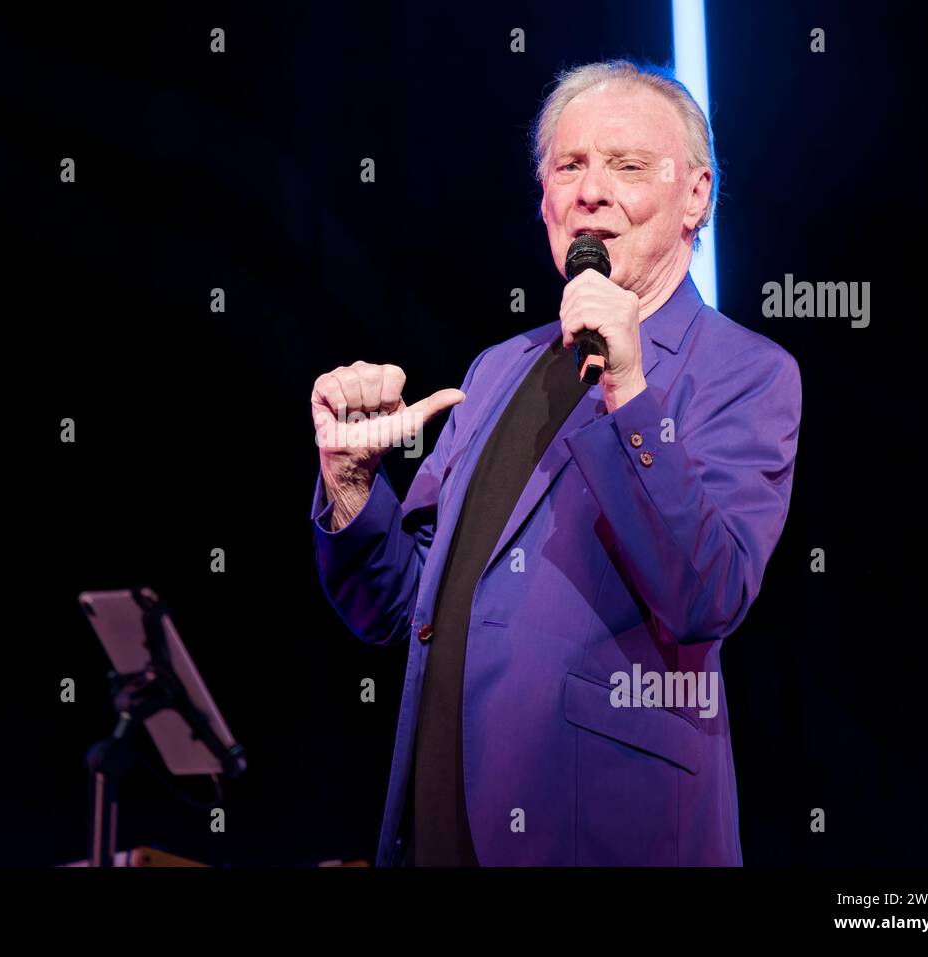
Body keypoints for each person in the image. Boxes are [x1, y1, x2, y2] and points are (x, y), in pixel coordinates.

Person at [309, 59, 801, 866]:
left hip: (605, 834)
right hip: (439, 829)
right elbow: (400, 608)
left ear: (697, 197)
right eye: (569, 166)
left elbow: (704, 594)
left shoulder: (745, 371)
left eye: (629, 166)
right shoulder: (499, 369)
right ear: (544, 200)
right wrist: (351, 485)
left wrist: (630, 386)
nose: (592, 190)